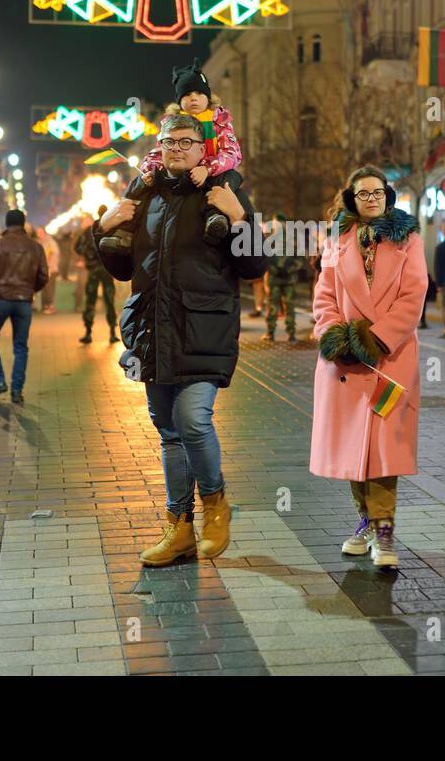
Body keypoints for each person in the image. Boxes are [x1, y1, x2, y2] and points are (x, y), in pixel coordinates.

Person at [93, 112, 266, 566]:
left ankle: (215, 504)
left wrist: (240, 218)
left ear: (203, 146)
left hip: (203, 329)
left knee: (192, 420)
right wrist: (104, 229)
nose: (176, 149)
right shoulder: (146, 194)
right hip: (154, 329)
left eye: (185, 142)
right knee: (169, 431)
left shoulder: (221, 191)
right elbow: (123, 268)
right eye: (168, 142)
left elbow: (256, 266)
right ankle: (179, 528)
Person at [311, 166, 426, 569]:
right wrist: (335, 336)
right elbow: (324, 294)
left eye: (378, 192)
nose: (372, 199)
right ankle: (365, 520)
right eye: (364, 194)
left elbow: (414, 294)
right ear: (352, 199)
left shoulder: (407, 239)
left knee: (383, 450)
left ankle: (384, 530)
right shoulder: (337, 240)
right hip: (346, 360)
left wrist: (378, 337)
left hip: (389, 358)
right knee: (353, 449)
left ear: (387, 196)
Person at [99, 59, 243, 253]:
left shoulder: (219, 120)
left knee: (228, 179)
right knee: (139, 184)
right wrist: (149, 171)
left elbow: (232, 152)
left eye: (199, 93)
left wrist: (207, 168)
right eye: (187, 94)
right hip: (179, 174)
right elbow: (158, 151)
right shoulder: (170, 124)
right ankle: (125, 232)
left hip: (214, 170)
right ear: (179, 101)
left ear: (208, 97)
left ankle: (216, 218)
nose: (194, 98)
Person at [0, 209, 48, 404]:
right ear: (23, 224)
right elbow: (43, 276)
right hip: (24, 302)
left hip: (0, 300)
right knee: (21, 346)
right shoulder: (36, 247)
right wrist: (29, 290)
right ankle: (17, 390)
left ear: (7, 224)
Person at [74, 205, 119, 344]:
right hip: (108, 270)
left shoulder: (89, 230)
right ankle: (112, 333)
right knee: (109, 301)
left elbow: (78, 247)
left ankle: (88, 333)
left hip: (93, 270)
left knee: (90, 301)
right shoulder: (112, 229)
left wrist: (88, 256)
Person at [264, 213, 306, 342]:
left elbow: (264, 258)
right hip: (286, 278)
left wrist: (276, 269)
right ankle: (289, 333)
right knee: (287, 306)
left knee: (274, 306)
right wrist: (290, 269)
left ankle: (272, 333)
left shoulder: (269, 239)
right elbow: (300, 259)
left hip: (277, 278)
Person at [35, 227, 61, 314]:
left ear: (44, 232)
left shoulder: (50, 242)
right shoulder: (38, 242)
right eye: (38, 232)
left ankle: (50, 306)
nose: (39, 234)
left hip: (50, 269)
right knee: (43, 287)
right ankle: (45, 306)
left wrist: (49, 265)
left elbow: (55, 254)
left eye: (40, 232)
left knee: (49, 288)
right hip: (41, 269)